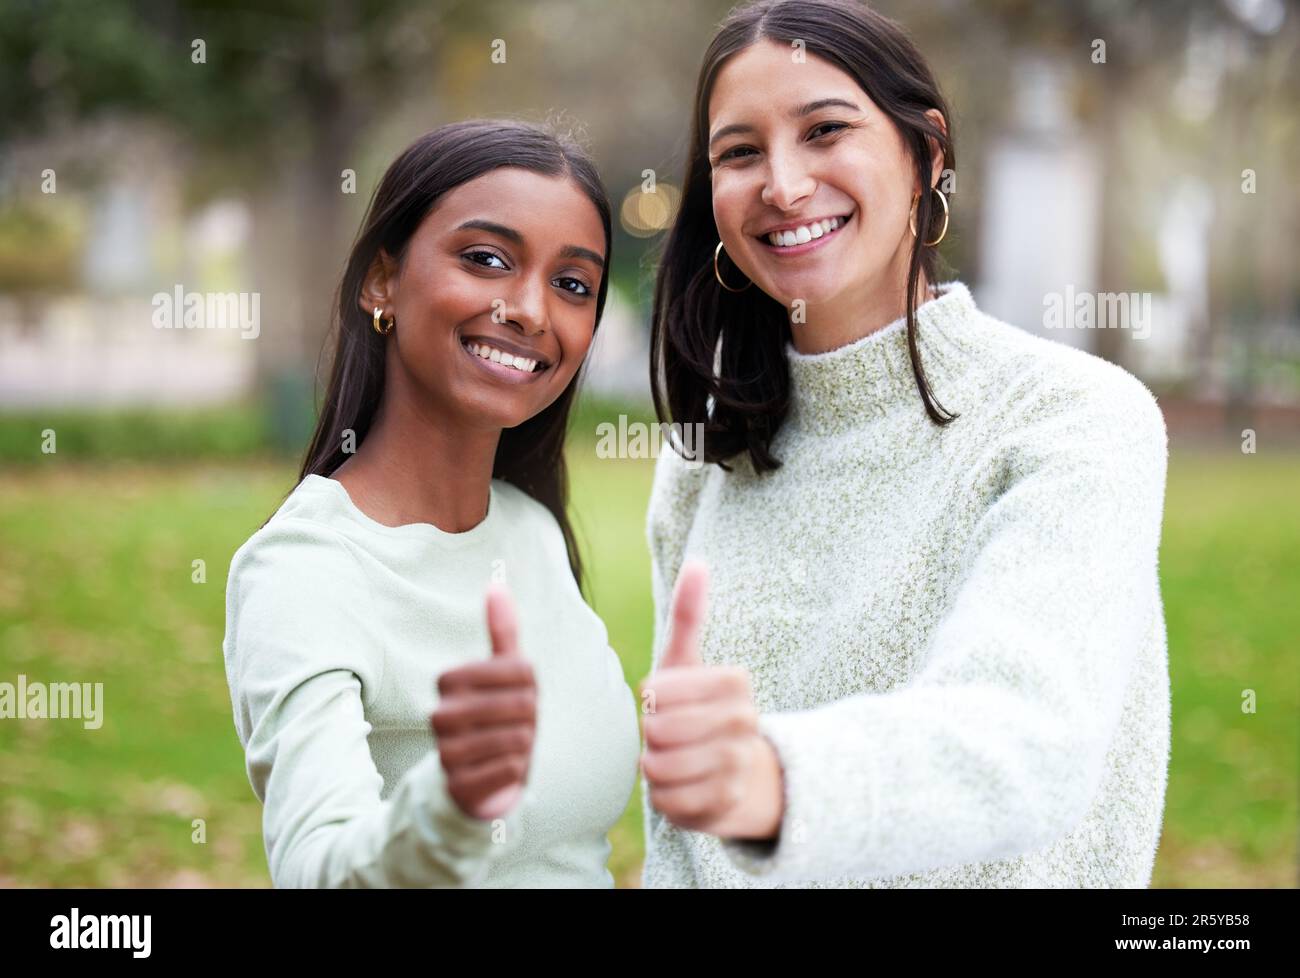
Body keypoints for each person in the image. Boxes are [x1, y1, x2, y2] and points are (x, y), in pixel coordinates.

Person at [639, 0, 1170, 888]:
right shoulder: (701, 462)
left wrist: (773, 780)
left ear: (924, 155)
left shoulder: (1074, 417)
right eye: (738, 152)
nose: (784, 184)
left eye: (824, 131)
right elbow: (679, 838)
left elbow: (1026, 737)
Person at [222, 120, 640, 887]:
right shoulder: (305, 571)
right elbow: (317, 866)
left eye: (572, 283)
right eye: (486, 259)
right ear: (381, 280)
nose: (531, 310)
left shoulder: (533, 530)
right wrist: (446, 805)